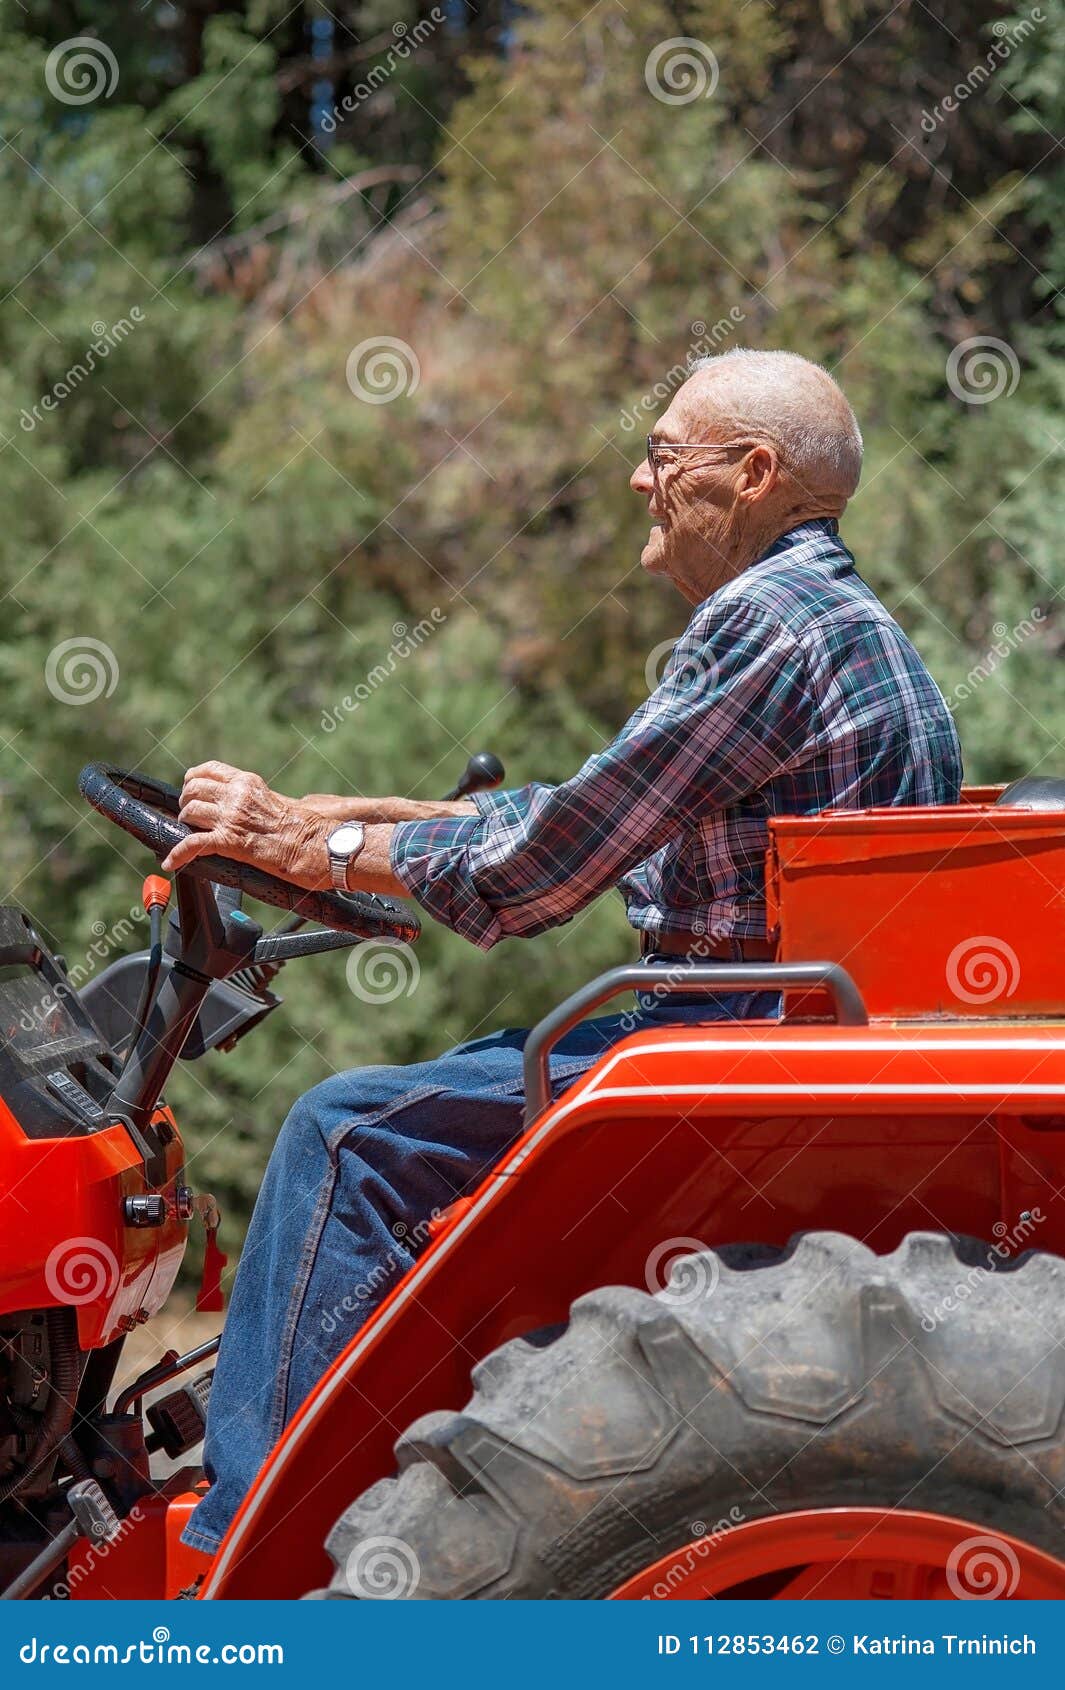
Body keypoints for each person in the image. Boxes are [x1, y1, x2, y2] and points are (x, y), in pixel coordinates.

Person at [169, 348, 962, 1553]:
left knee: (344, 1134)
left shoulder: (764, 623)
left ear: (752, 475)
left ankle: (239, 1549)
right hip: (783, 1031)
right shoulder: (845, 623)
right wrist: (335, 822)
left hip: (721, 1043)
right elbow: (592, 814)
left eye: (661, 457)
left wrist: (303, 841)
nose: (641, 484)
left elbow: (539, 869)